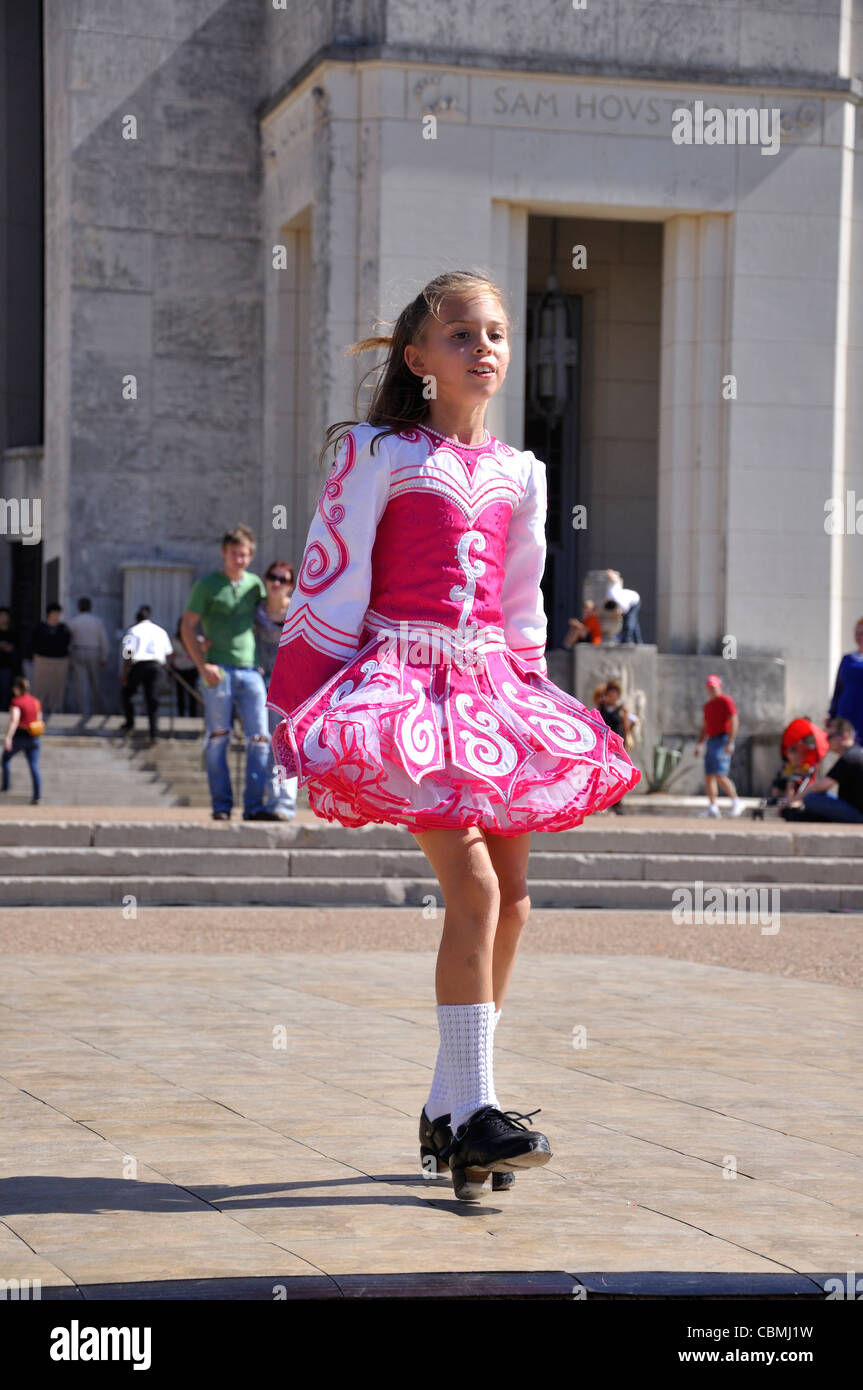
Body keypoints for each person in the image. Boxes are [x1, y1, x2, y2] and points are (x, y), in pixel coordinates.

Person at [265, 270, 641, 1201]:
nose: (485, 349)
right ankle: (476, 1113)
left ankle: (449, 1109)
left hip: (494, 690)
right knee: (472, 887)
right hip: (404, 687)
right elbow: (329, 583)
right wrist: (299, 706)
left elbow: (523, 602)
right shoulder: (376, 451)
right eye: (462, 334)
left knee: (512, 901)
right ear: (418, 357)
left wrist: (535, 700)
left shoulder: (523, 472)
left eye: (498, 335)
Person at [181, 525, 275, 822]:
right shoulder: (207, 585)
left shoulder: (255, 585)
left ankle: (254, 805)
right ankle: (221, 805)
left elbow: (272, 617)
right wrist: (201, 663)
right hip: (217, 669)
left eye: (245, 555)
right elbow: (187, 626)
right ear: (224, 553)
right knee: (218, 737)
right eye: (234, 554)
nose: (239, 559)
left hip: (251, 670)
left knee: (260, 737)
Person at [254, 562, 297, 820]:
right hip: (262, 684)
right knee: (268, 745)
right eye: (272, 577)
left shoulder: (298, 610)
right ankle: (271, 802)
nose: (276, 583)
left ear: (290, 585)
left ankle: (286, 804)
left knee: (285, 746)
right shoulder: (256, 611)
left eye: (283, 579)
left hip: (290, 687)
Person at [781, 718, 863, 822]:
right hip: (855, 809)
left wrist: (791, 801)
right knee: (818, 797)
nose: (827, 740)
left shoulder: (850, 758)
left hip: (858, 814)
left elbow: (819, 786)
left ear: (844, 736)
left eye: (830, 737)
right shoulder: (856, 753)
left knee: (810, 798)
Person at [120, 606, 173, 744]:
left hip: (139, 665)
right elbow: (169, 653)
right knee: (152, 699)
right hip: (157, 667)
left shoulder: (132, 630)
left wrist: (124, 672)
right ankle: (153, 732)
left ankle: (130, 723)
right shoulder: (160, 631)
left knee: (127, 694)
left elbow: (128, 654)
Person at [694, 673, 743, 818]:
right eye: (709, 687)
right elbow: (705, 727)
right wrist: (700, 744)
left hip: (722, 739)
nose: (712, 690)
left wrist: (730, 741)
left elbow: (734, 720)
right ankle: (713, 807)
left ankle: (736, 801)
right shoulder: (708, 706)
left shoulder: (726, 701)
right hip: (711, 741)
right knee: (709, 775)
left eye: (714, 687)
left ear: (719, 687)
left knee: (719, 774)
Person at [595, 680, 637, 814]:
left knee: (618, 774)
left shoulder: (622, 710)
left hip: (617, 746)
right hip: (604, 745)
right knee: (602, 773)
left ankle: (617, 804)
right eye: (610, 693)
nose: (613, 696)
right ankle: (601, 803)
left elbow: (630, 723)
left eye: (615, 693)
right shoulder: (601, 707)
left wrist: (629, 736)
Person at [2, 675, 43, 804]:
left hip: (20, 737)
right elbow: (39, 719)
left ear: (17, 688)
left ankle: (6, 786)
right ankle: (37, 795)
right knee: (34, 766)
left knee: (5, 759)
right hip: (34, 737)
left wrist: (8, 737)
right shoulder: (35, 701)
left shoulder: (16, 702)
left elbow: (14, 720)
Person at [67, 597, 109, 719]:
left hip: (78, 651)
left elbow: (69, 641)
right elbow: (103, 640)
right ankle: (97, 711)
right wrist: (104, 656)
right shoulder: (97, 621)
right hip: (94, 652)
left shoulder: (73, 621)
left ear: (78, 607)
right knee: (95, 683)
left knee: (81, 684)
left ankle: (83, 711)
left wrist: (69, 657)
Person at [827, 618, 863, 744]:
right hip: (847, 709)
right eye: (857, 634)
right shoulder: (847, 659)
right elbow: (838, 689)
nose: (860, 637)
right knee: (846, 744)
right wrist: (832, 714)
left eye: (862, 634)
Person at [31, 604, 72, 715]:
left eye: (58, 613)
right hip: (42, 660)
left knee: (58, 686)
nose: (57, 616)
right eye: (55, 613)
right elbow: (34, 642)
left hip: (60, 660)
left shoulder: (64, 628)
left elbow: (67, 641)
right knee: (41, 685)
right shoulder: (40, 628)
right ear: (49, 614)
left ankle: (56, 708)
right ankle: (39, 707)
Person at [168, 617, 201, 717]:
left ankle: (193, 714)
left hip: (192, 668)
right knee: (180, 693)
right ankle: (181, 714)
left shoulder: (196, 638)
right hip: (179, 669)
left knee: (192, 692)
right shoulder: (175, 640)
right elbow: (171, 655)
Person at [606, 569, 642, 644]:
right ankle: (639, 642)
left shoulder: (621, 603)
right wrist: (611, 575)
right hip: (629, 600)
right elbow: (618, 582)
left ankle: (626, 640)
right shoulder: (611, 594)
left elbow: (624, 613)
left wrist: (617, 615)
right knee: (634, 623)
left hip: (634, 601)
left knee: (629, 622)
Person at [0, 606, 20, 711]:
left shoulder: (12, 633)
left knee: (5, 689)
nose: (3, 619)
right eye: (1, 616)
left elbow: (15, 649)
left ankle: (3, 710)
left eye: (5, 616)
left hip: (6, 667)